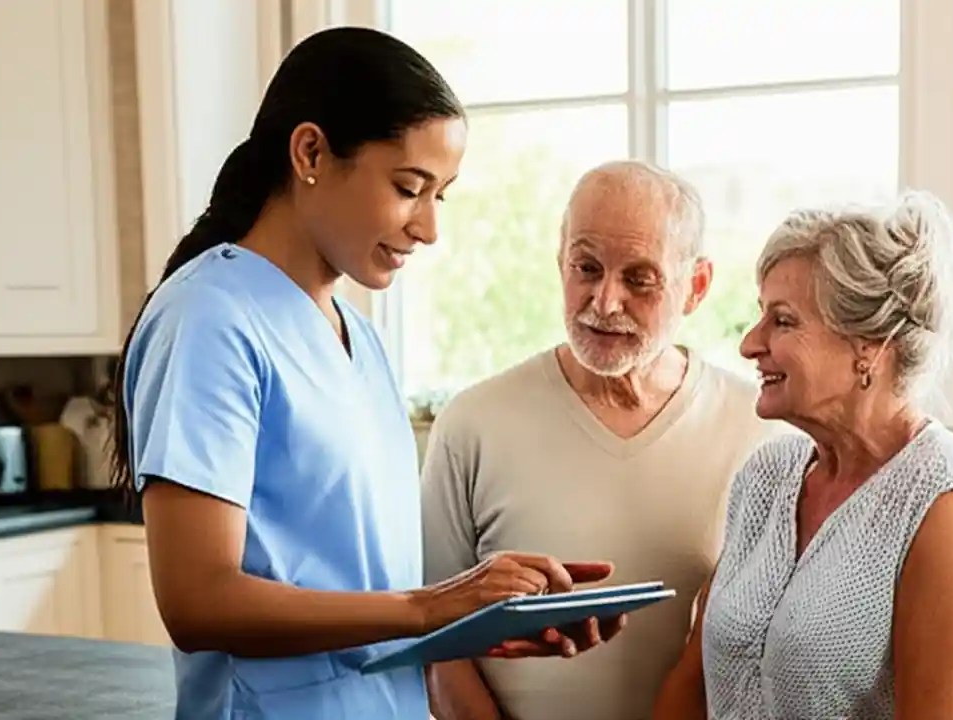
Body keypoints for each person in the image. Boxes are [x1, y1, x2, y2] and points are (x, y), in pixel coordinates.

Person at [108, 28, 623, 720]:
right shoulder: (210, 318)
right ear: (310, 153)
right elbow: (198, 601)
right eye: (409, 188)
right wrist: (428, 606)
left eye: (441, 196)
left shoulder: (361, 339)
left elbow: (362, 596)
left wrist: (474, 624)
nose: (428, 228)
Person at [420, 160, 783, 720]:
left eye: (639, 279)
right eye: (586, 268)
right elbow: (436, 640)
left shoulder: (761, 431)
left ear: (696, 286)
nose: (606, 301)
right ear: (559, 261)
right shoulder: (471, 424)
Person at [653, 191, 953, 719]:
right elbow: (690, 687)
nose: (750, 344)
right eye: (761, 316)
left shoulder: (952, 505)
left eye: (783, 321)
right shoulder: (767, 474)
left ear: (868, 345)